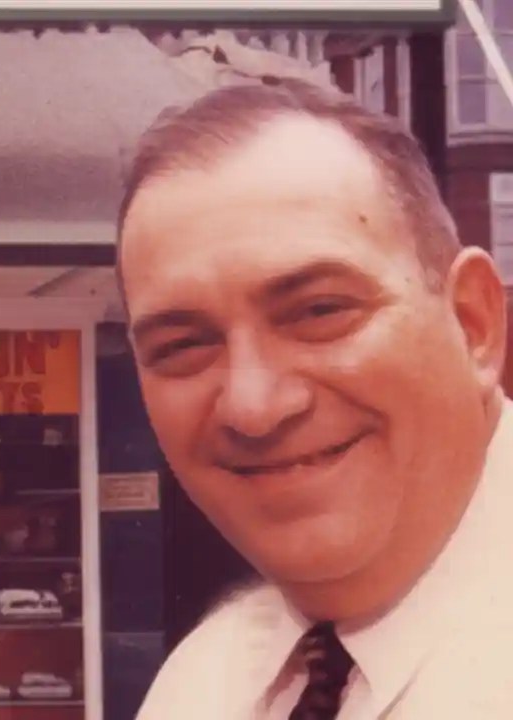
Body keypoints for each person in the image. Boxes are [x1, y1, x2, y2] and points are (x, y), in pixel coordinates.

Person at [120, 78, 511, 719]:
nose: (254, 405)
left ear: (473, 324)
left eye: (320, 311)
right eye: (183, 347)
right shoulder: (200, 684)